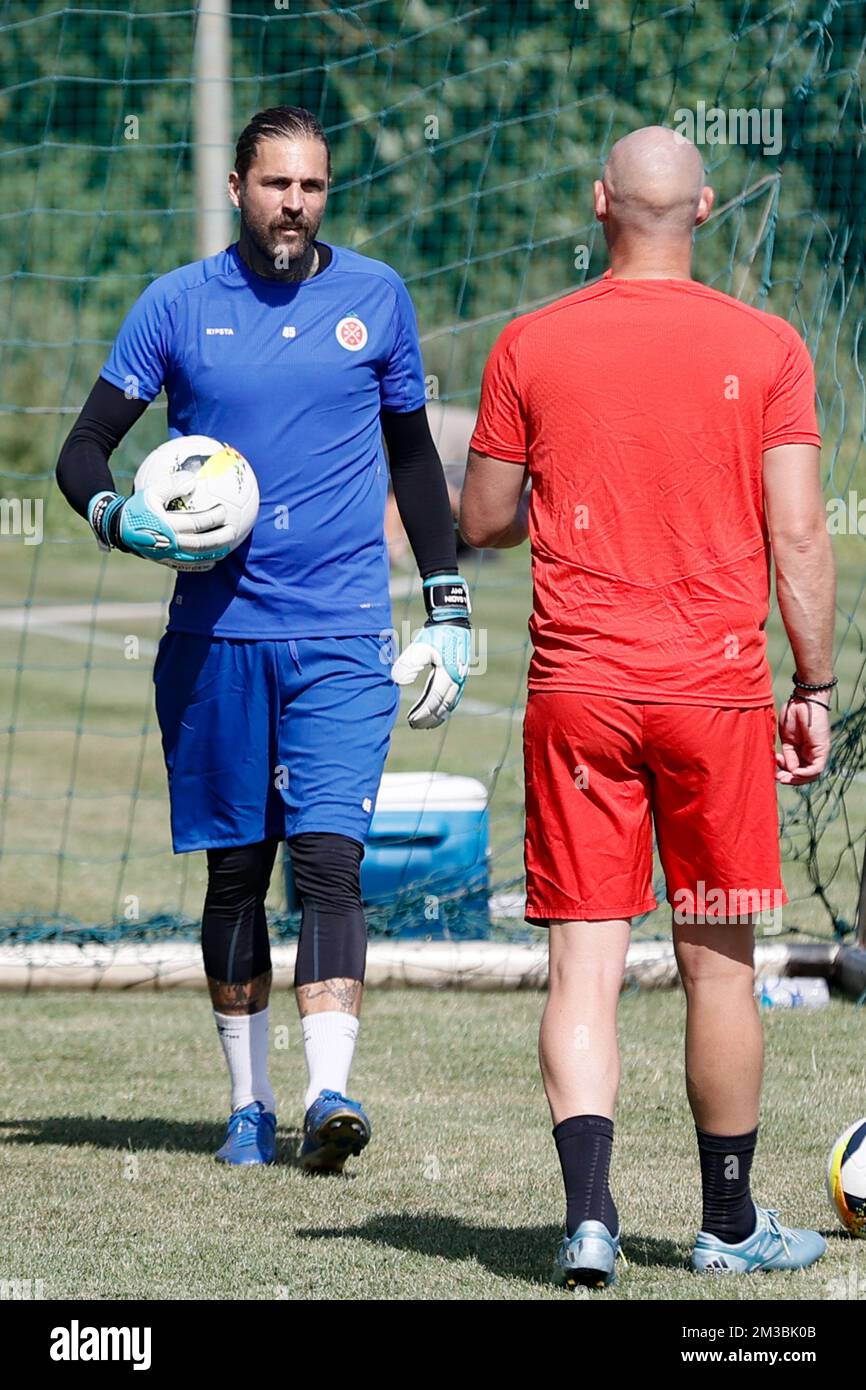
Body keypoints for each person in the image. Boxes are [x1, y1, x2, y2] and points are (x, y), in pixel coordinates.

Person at [56, 105, 472, 1173]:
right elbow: (84, 450)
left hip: (340, 634)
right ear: (237, 187)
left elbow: (413, 461)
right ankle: (248, 1103)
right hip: (214, 640)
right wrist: (118, 517)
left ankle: (330, 1093)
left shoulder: (374, 297)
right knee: (237, 875)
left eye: (313, 186)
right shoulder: (175, 306)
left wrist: (447, 600)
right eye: (276, 184)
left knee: (331, 860)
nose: (296, 204)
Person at [460, 125, 834, 1285]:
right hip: (714, 700)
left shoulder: (531, 341)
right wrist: (812, 683)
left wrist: (559, 479)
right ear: (706, 208)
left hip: (578, 694)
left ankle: (587, 1220)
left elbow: (479, 519)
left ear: (596, 204)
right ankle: (726, 1226)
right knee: (717, 961)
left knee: (584, 963)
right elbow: (799, 532)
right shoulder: (766, 346)